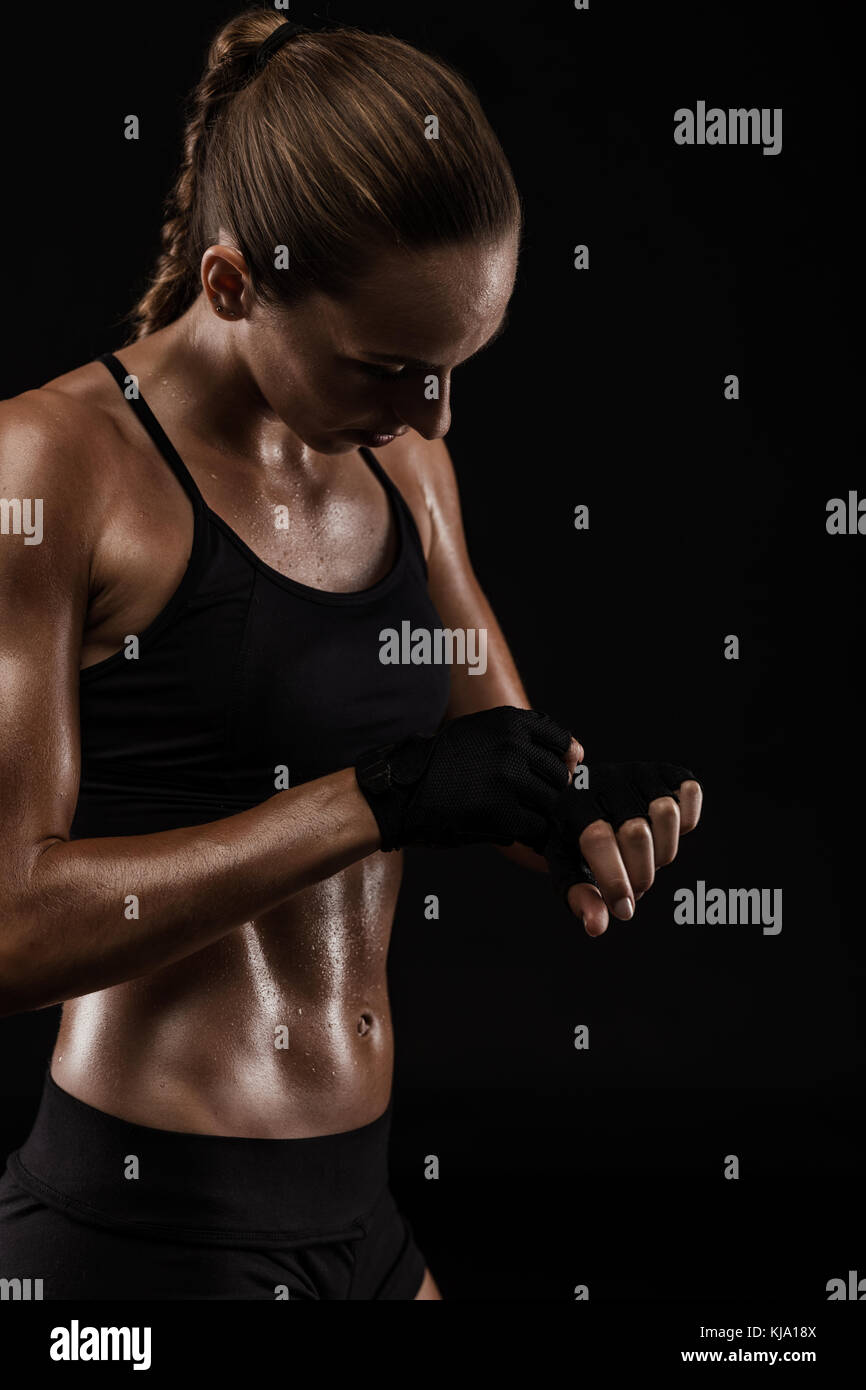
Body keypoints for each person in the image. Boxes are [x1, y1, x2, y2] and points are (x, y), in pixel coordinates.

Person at [0, 11, 701, 1300]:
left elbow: (491, 759)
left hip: (360, 1203)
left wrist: (579, 811)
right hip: (150, 1232)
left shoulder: (408, 456)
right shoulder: (54, 467)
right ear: (232, 285)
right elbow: (9, 925)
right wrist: (375, 801)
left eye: (455, 367)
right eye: (390, 367)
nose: (434, 413)